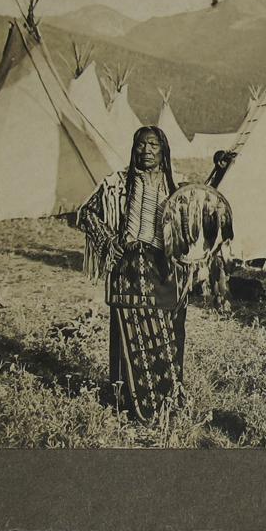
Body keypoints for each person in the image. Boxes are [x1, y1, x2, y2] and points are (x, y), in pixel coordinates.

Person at [76, 126, 185, 422]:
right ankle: (126, 402)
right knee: (127, 337)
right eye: (140, 144)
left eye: (153, 145)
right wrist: (109, 242)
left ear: (163, 150)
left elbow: (199, 220)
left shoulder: (177, 188)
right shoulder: (117, 185)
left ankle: (167, 402)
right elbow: (86, 213)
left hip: (162, 269)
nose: (146, 151)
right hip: (127, 269)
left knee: (167, 333)